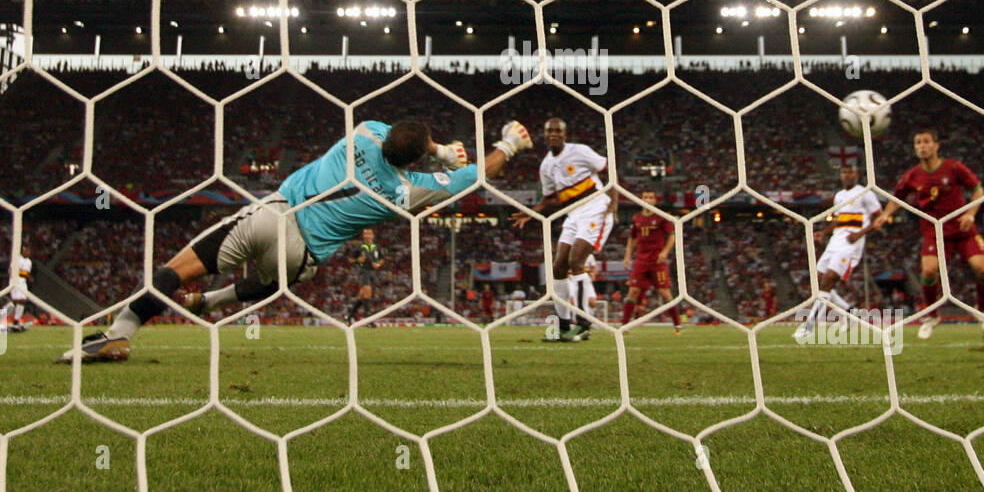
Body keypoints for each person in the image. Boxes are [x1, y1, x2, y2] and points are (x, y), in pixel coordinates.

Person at [58, 119, 531, 363]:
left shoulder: (363, 131)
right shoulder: (404, 191)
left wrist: (436, 149)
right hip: (300, 253)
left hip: (273, 212)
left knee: (174, 271)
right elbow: (477, 176)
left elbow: (405, 138)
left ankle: (119, 334)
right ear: (415, 158)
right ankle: (215, 301)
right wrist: (509, 143)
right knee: (278, 282)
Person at [873, 129, 984, 338]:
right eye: (917, 142)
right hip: (934, 231)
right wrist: (885, 214)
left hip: (963, 229)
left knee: (983, 269)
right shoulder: (912, 175)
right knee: (928, 271)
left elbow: (978, 190)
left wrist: (971, 214)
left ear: (936, 145)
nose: (921, 146)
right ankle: (932, 316)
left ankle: (983, 311)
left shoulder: (954, 167)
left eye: (926, 141)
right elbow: (898, 198)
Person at [512, 118, 615, 343]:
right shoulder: (546, 166)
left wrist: (613, 205)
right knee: (558, 267)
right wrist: (531, 212)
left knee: (576, 262)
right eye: (550, 130)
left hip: (596, 207)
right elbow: (550, 198)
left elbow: (609, 169)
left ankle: (583, 324)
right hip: (573, 214)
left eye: (558, 130)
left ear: (565, 134)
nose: (554, 134)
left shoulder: (580, 151)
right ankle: (563, 324)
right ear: (545, 134)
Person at [795, 165, 883, 342]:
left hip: (851, 244)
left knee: (828, 280)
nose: (847, 175)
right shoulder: (839, 196)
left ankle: (810, 325)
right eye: (844, 172)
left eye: (851, 172)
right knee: (819, 280)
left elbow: (878, 217)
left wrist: (859, 234)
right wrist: (824, 232)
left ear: (857, 175)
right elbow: (838, 219)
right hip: (835, 241)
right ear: (841, 176)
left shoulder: (865, 192)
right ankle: (851, 315)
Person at [620, 189, 681, 332]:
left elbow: (672, 236)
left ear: (655, 200)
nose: (647, 200)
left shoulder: (662, 217)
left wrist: (665, 252)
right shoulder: (637, 218)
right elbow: (632, 238)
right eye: (645, 197)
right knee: (633, 291)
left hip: (657, 261)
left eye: (650, 197)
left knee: (664, 292)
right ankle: (624, 326)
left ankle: (677, 324)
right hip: (641, 260)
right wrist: (628, 256)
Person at [345, 228, 382, 323]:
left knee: (362, 296)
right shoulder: (359, 247)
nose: (367, 236)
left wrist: (378, 264)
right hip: (363, 271)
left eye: (369, 234)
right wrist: (358, 260)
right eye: (365, 234)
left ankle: (350, 316)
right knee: (367, 293)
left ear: (373, 235)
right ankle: (368, 319)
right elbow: (350, 259)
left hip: (372, 272)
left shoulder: (376, 246)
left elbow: (382, 258)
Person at [5, 244, 33, 332]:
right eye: (26, 250)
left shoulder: (29, 261)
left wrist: (27, 277)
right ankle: (1, 315)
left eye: (29, 251)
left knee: (22, 301)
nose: (28, 252)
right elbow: (11, 270)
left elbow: (26, 273)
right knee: (16, 301)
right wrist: (26, 276)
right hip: (15, 281)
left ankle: (16, 322)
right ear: (23, 251)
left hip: (23, 282)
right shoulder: (17, 259)